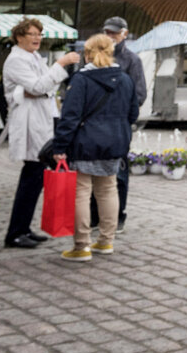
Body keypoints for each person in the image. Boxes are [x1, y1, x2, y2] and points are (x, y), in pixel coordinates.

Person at [50, 34, 139, 261]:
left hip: (85, 142)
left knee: (81, 192)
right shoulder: (125, 79)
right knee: (108, 189)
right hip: (115, 143)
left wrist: (60, 146)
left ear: (87, 53)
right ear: (111, 52)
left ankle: (82, 246)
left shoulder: (81, 79)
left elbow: (69, 117)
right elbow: (133, 114)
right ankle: (106, 242)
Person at [1, 18, 80, 249]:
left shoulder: (34, 57)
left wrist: (40, 87)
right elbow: (38, 87)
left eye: (39, 34)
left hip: (41, 119)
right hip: (29, 124)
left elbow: (47, 88)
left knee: (35, 176)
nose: (37, 38)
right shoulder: (16, 60)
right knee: (31, 176)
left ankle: (23, 228)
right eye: (32, 34)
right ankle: (15, 233)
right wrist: (60, 63)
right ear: (19, 37)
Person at [93, 16, 146, 235]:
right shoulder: (94, 56)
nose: (110, 36)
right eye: (107, 32)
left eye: (114, 33)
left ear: (124, 34)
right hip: (94, 126)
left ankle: (117, 217)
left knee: (119, 173)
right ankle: (96, 217)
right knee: (92, 172)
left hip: (118, 126)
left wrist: (120, 114)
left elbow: (139, 95)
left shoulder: (132, 60)